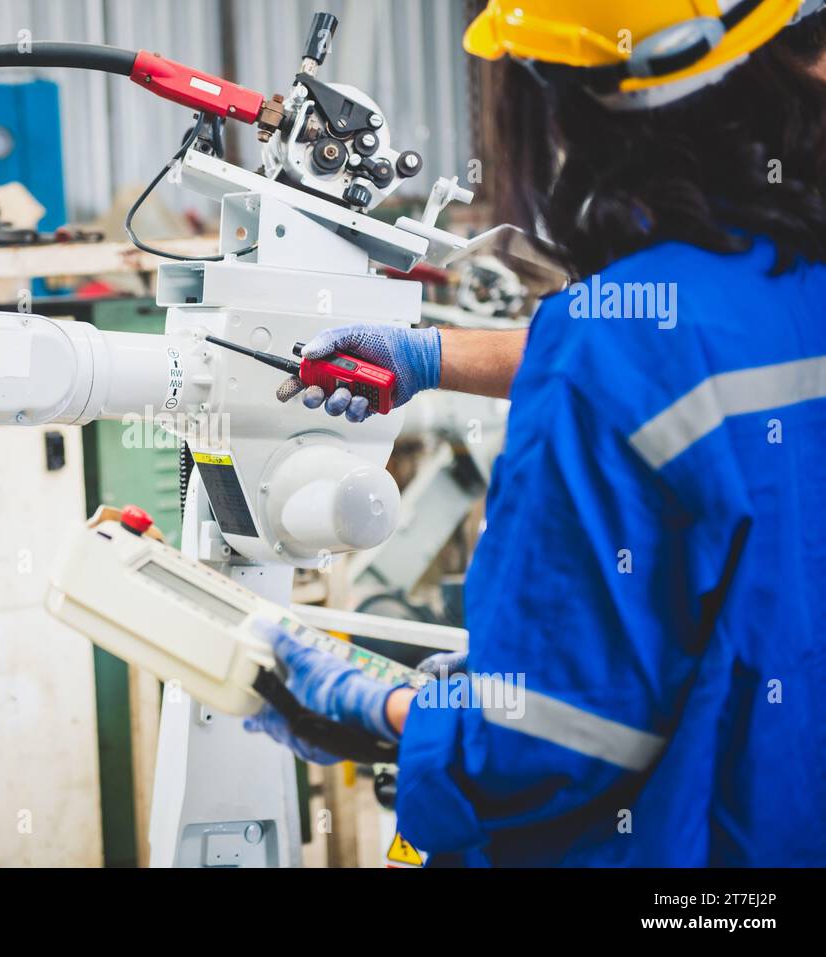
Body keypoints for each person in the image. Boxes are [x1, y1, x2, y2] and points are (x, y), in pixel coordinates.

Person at [246, 0, 826, 866]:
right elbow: (692, 360)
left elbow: (539, 751)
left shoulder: (611, 349)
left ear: (562, 99)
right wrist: (428, 356)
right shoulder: (787, 273)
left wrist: (379, 709)